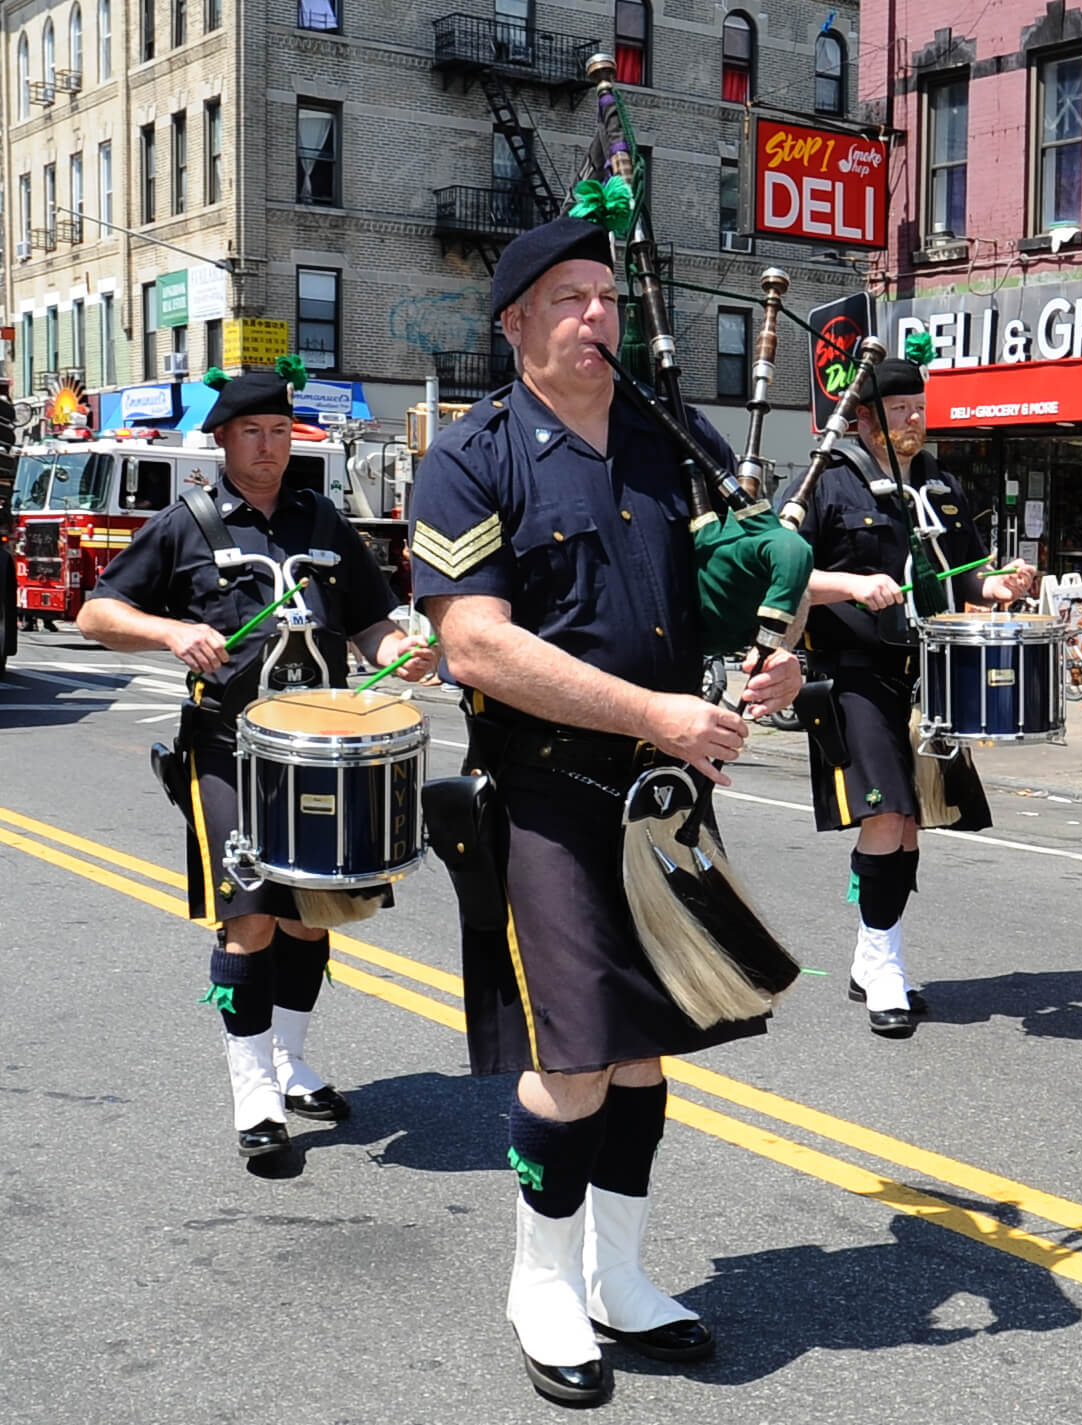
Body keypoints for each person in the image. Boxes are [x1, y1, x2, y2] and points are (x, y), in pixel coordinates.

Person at [408, 216, 802, 1408]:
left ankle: (619, 1276)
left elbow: (730, 591)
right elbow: (475, 645)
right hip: (544, 794)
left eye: (609, 299)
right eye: (570, 299)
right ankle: (541, 1279)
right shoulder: (469, 458)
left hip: (664, 794)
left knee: (646, 1049)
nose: (597, 317)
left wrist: (776, 657)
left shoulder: (661, 442)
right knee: (574, 1060)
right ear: (515, 322)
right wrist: (655, 713)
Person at [77, 364, 437, 1161]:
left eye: (279, 431)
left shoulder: (324, 520)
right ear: (224, 439)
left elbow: (371, 623)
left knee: (312, 920)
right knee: (249, 920)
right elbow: (96, 610)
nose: (268, 446)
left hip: (319, 752)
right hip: (227, 749)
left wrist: (399, 651)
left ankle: (290, 1057)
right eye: (252, 432)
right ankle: (254, 1092)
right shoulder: (188, 523)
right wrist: (171, 633)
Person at [780, 356, 1034, 1040]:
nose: (915, 420)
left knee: (914, 817)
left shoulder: (940, 485)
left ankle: (872, 951)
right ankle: (883, 965)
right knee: (886, 812)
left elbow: (968, 575)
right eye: (899, 412)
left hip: (927, 671)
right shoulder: (826, 483)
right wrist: (851, 586)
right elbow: (781, 574)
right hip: (852, 669)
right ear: (864, 419)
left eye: (919, 408)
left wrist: (999, 586)